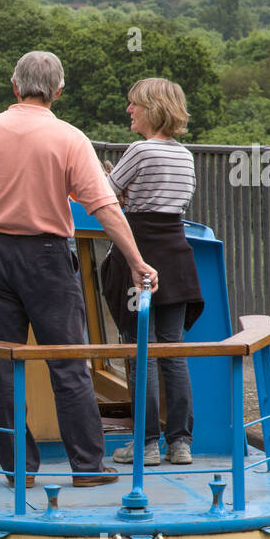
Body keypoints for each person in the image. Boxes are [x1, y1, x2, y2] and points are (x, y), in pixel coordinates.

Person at [0, 51, 158, 489]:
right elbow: (104, 206)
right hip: (46, 259)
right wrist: (137, 262)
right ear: (58, 91)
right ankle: (86, 466)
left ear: (14, 86)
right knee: (69, 361)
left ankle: (19, 469)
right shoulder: (68, 138)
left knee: (5, 364)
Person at [102, 78, 204, 467]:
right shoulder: (185, 155)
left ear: (153, 108)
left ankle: (145, 445)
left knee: (138, 350)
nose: (130, 111)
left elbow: (106, 195)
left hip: (139, 255)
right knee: (172, 351)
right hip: (177, 257)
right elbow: (171, 203)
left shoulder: (140, 150)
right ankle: (181, 443)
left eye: (135, 105)